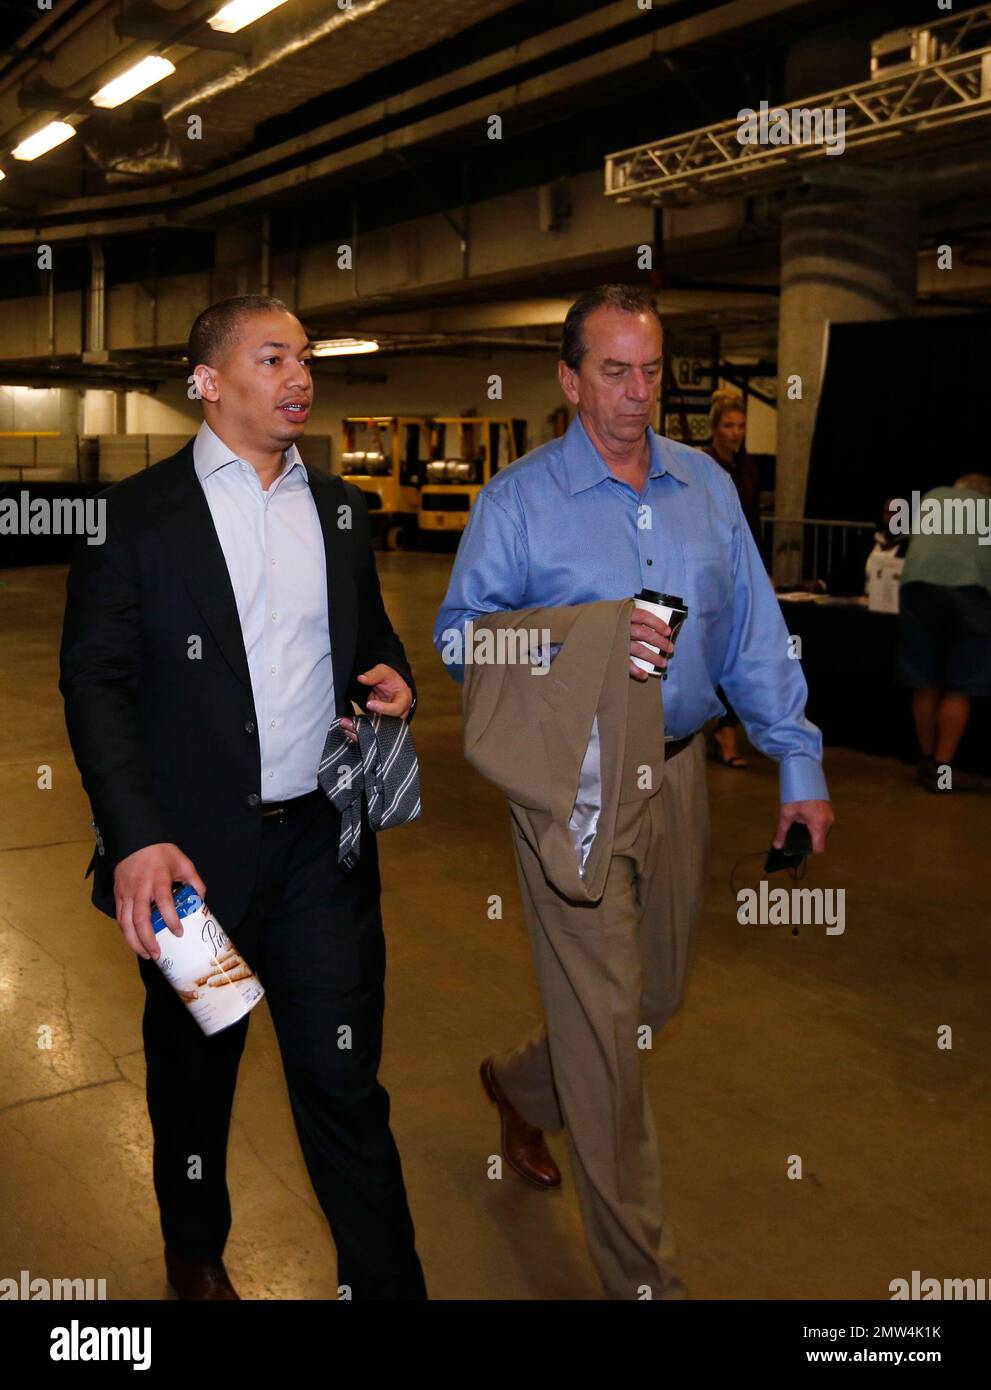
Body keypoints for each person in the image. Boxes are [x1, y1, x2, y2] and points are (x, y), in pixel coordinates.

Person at [433, 283, 833, 1300]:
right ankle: (643, 1282)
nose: (635, 392)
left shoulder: (704, 486)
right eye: (612, 371)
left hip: (684, 768)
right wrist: (592, 632)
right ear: (570, 380)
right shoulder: (516, 502)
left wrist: (796, 761)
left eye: (651, 370)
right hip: (573, 786)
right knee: (610, 1049)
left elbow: (747, 633)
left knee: (650, 997)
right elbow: (459, 641)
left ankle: (521, 1081)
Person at [59, 295, 427, 1301]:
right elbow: (95, 682)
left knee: (343, 1085)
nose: (300, 375)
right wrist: (135, 838)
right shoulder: (134, 518)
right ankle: (194, 1250)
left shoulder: (342, 511)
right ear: (208, 380)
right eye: (273, 358)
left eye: (305, 358)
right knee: (197, 1074)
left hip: (321, 849)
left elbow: (369, 640)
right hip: (191, 868)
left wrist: (389, 674)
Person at [898, 473, 991, 793]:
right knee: (959, 685)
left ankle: (925, 760)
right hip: (968, 591)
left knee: (924, 679)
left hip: (916, 588)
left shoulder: (933, 495)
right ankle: (943, 770)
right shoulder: (986, 508)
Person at [700, 388, 760, 768]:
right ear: (714, 428)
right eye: (729, 425)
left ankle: (727, 733)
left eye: (741, 426)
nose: (736, 432)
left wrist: (759, 571)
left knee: (736, 652)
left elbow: (752, 523)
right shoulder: (703, 466)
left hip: (741, 569)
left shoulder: (749, 468)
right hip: (710, 571)